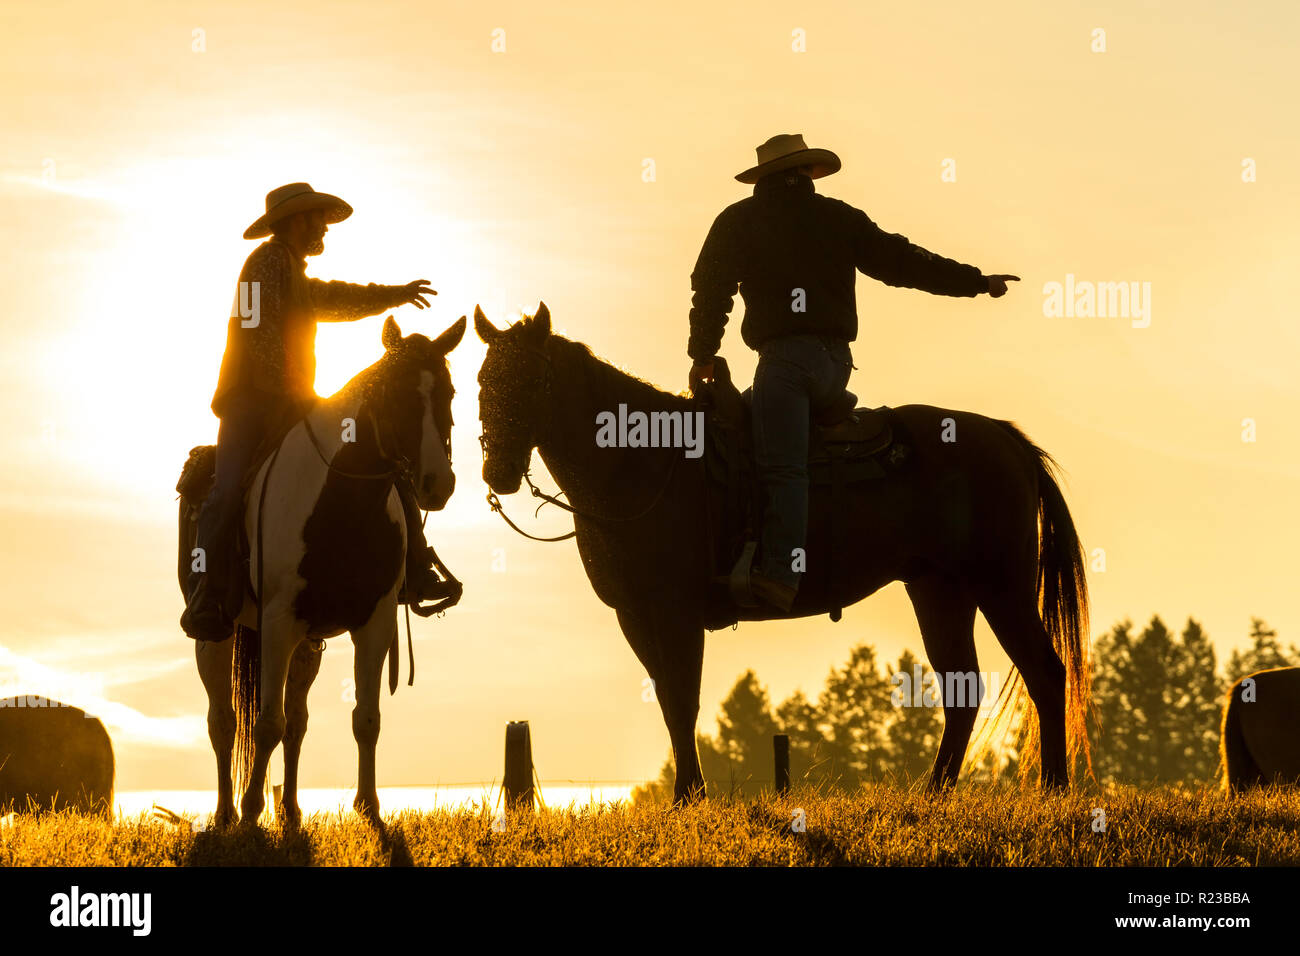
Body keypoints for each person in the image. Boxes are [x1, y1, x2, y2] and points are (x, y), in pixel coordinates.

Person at [686, 134, 1018, 612]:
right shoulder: (838, 217)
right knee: (770, 437)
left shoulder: (738, 221)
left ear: (764, 178)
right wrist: (975, 281)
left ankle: (779, 573)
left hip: (783, 366)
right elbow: (903, 261)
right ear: (805, 172)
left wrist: (702, 354)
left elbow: (711, 291)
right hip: (834, 364)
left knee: (781, 465)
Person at [181, 182, 448, 642]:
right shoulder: (261, 264)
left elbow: (339, 299)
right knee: (224, 491)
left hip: (295, 402)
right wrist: (290, 388)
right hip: (249, 404)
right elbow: (254, 327)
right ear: (296, 221)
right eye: (317, 219)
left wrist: (395, 294)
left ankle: (413, 564)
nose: (324, 227)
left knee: (381, 457)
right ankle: (205, 588)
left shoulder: (296, 276)